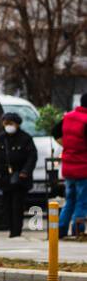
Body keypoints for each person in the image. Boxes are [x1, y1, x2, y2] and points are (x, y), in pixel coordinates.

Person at [0, 111, 36, 237]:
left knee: (17, 206)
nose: (8, 126)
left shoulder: (26, 138)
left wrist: (25, 172)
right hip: (5, 178)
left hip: (20, 179)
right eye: (5, 123)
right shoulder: (2, 138)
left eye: (10, 123)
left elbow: (32, 157)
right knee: (6, 206)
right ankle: (10, 228)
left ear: (17, 124)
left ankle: (16, 231)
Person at [52, 101, 87, 239]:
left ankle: (60, 230)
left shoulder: (68, 117)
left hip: (68, 168)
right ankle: (78, 231)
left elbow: (55, 131)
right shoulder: (85, 120)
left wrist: (67, 145)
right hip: (83, 168)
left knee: (69, 200)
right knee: (82, 202)